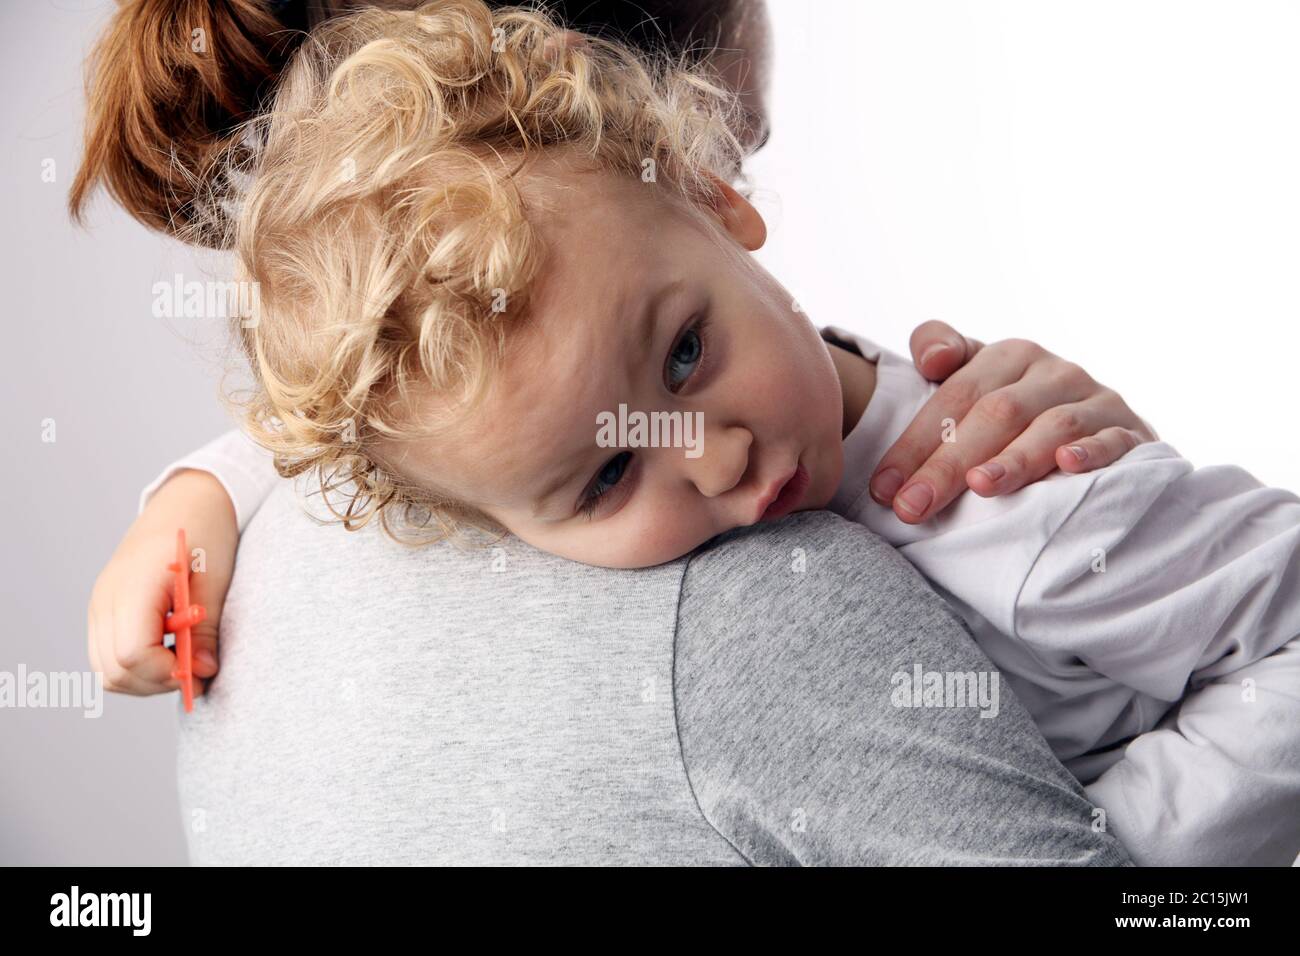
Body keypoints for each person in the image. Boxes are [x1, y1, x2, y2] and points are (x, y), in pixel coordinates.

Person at [79, 0, 1160, 864]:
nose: (719, 456)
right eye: (603, 474)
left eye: (687, 349)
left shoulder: (288, 545)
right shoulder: (768, 598)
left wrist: (201, 486)